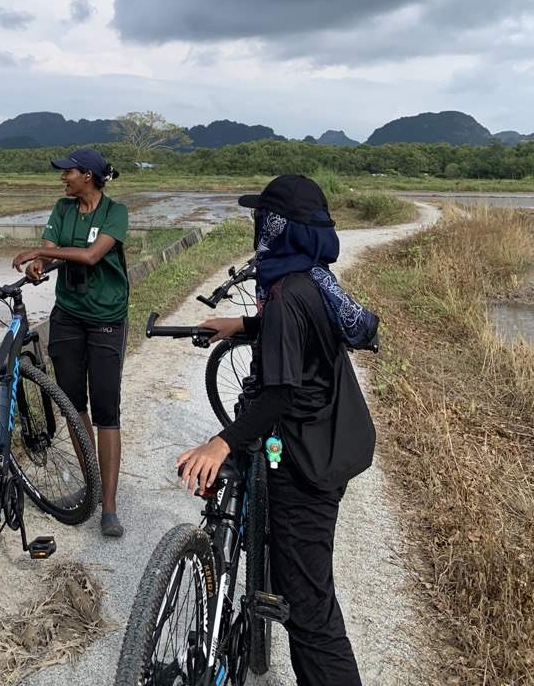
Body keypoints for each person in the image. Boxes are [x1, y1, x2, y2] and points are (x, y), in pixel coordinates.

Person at [177, 174, 374, 686]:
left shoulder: (286, 294)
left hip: (307, 458)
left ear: (278, 228)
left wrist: (220, 442)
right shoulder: (311, 279)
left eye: (259, 217)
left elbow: (279, 396)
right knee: (301, 590)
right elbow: (301, 329)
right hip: (330, 436)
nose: (254, 225)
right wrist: (243, 326)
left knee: (309, 611)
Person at [12, 147, 129, 538]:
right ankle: (92, 487)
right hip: (68, 316)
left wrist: (42, 251)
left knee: (106, 410)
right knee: (72, 404)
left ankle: (109, 506)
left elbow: (93, 256)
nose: (63, 177)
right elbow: (50, 251)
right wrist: (38, 264)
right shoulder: (63, 210)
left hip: (106, 319)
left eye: (69, 172)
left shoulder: (115, 212)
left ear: (90, 176)